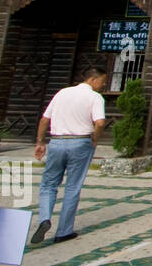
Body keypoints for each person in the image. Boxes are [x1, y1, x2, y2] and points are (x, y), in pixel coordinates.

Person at [32, 66, 108, 245]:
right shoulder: (95, 97)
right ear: (92, 80)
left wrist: (40, 142)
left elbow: (44, 119)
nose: (103, 85)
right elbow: (100, 122)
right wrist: (94, 139)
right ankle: (64, 231)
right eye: (102, 81)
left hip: (57, 141)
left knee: (48, 183)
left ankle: (44, 218)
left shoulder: (62, 93)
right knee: (73, 186)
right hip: (80, 142)